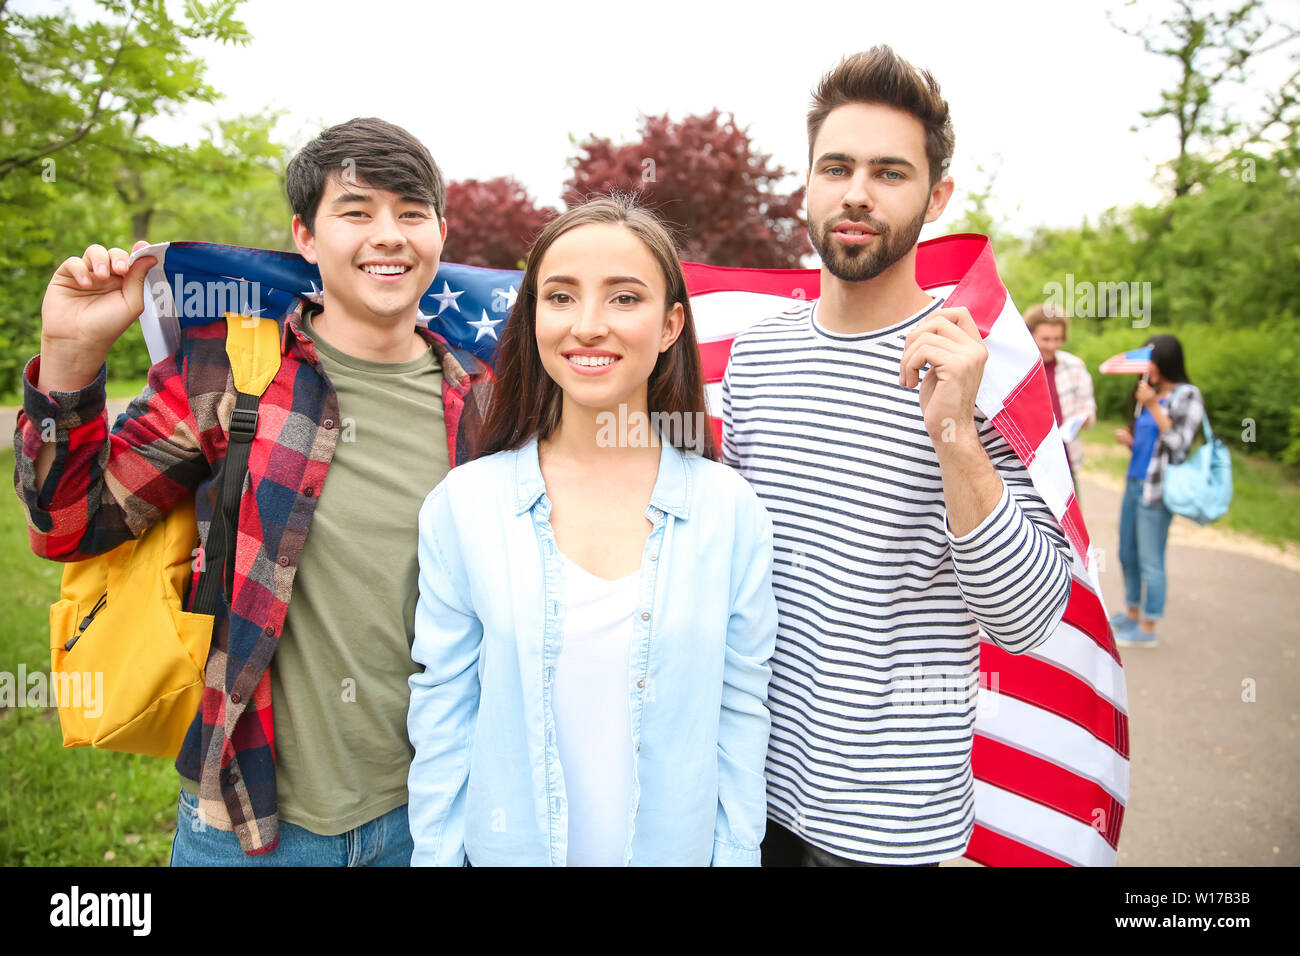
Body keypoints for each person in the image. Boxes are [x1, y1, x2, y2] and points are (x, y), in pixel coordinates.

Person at [13, 117, 493, 865]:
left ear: (440, 229)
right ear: (306, 235)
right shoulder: (230, 370)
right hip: (246, 816)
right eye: (357, 211)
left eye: (411, 212)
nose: (389, 235)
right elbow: (69, 525)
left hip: (435, 815)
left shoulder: (489, 400)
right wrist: (71, 358)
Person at [722, 46, 1074, 867]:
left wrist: (954, 429)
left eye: (889, 172)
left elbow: (1026, 620)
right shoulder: (754, 358)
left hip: (888, 820)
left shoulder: (979, 366)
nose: (856, 193)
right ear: (806, 184)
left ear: (936, 196)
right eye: (836, 167)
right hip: (744, 790)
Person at [406, 195, 778, 866]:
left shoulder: (730, 510)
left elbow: (741, 714)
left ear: (670, 326)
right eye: (561, 296)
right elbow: (443, 713)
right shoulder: (465, 506)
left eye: (624, 299)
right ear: (533, 317)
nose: (588, 326)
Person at [1110, 334, 1203, 648]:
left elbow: (1179, 446)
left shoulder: (1187, 395)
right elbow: (1149, 447)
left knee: (1151, 558)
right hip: (1134, 482)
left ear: (1164, 362)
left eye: (1149, 361)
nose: (1144, 367)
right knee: (1127, 554)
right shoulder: (1146, 394)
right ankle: (1132, 613)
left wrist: (1153, 406)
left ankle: (1148, 627)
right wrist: (1130, 442)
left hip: (1158, 490)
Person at [1025, 301, 1096, 491]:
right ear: (1029, 334)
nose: (1052, 345)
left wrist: (1083, 416)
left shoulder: (1075, 366)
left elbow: (1089, 410)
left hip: (1066, 460)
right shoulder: (1020, 368)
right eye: (1045, 339)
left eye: (1057, 339)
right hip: (1028, 463)